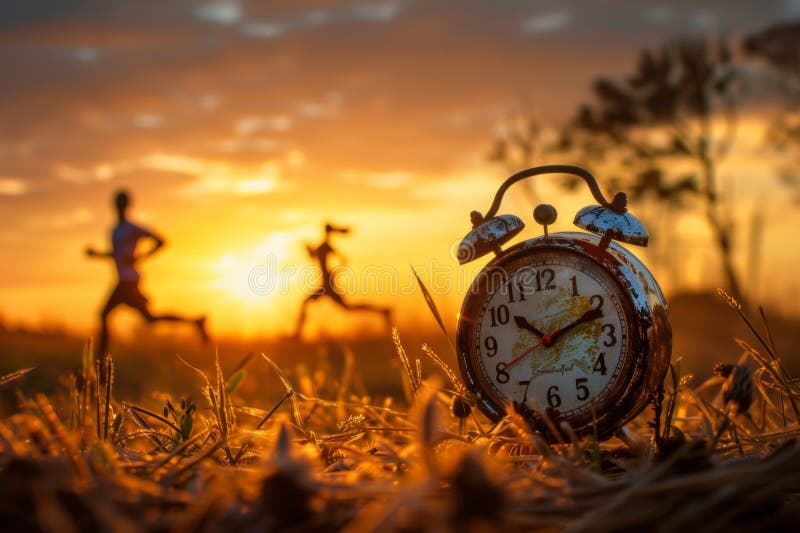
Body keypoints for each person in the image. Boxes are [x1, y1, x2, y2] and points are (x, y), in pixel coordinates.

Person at [86, 189, 208, 358]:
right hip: (123, 280)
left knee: (105, 314)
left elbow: (161, 241)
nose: (119, 207)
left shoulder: (132, 228)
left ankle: (99, 361)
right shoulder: (114, 230)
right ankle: (195, 322)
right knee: (149, 319)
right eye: (117, 203)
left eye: (122, 203)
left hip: (129, 282)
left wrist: (141, 257)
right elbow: (117, 254)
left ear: (127, 205)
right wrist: (98, 255)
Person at [293, 223, 391, 340]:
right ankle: (382, 311)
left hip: (327, 286)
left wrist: (334, 272)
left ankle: (297, 334)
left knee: (308, 303)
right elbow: (315, 255)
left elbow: (342, 259)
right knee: (346, 308)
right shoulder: (323, 246)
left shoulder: (325, 246)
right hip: (326, 285)